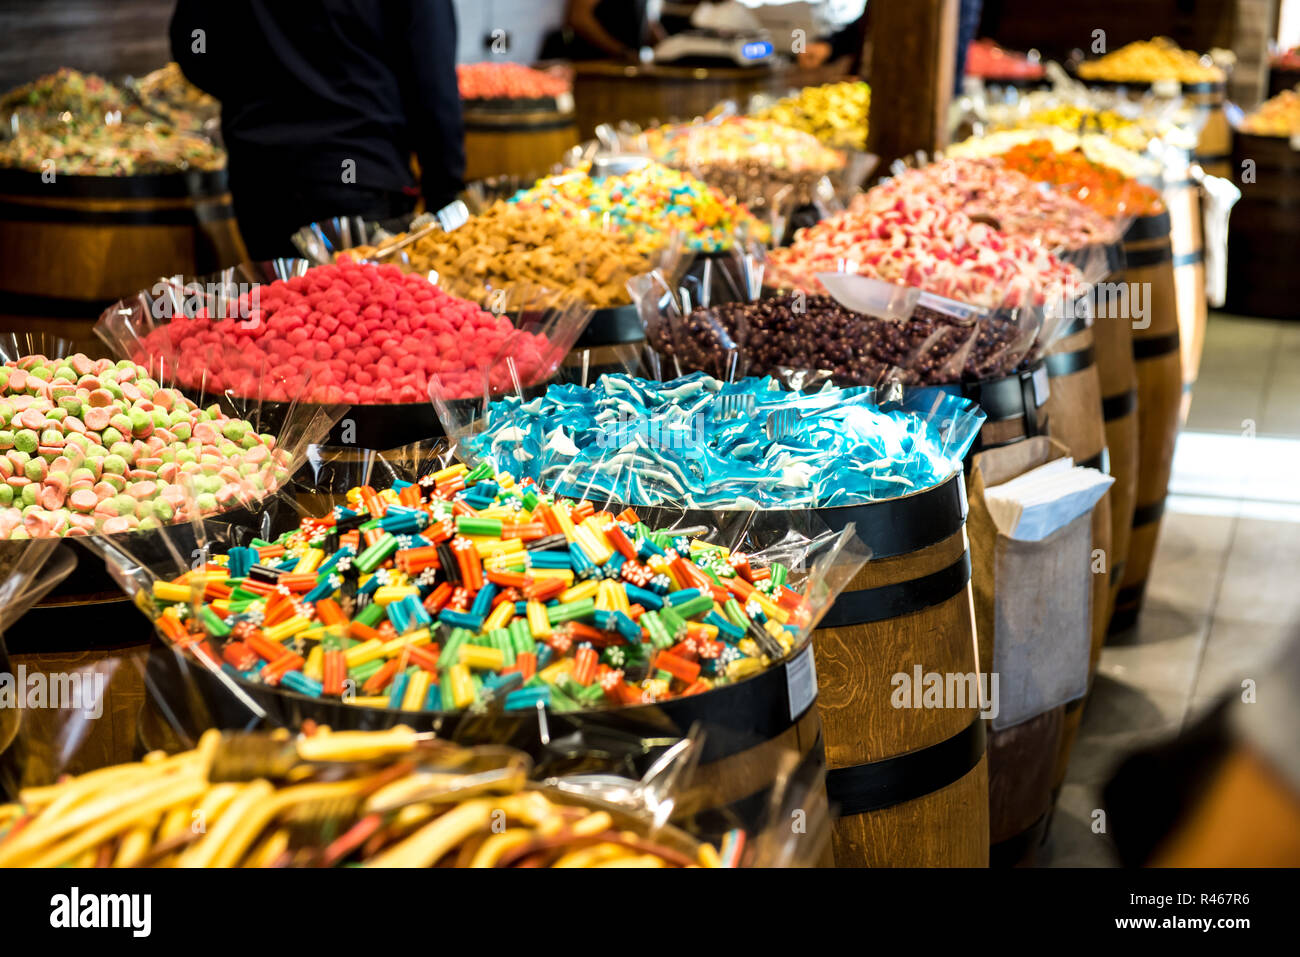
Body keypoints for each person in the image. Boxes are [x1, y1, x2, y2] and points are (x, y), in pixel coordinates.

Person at [170, 0, 464, 260]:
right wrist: (445, 196)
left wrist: (250, 97)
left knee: (282, 317)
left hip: (262, 177)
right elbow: (432, 75)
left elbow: (194, 46)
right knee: (370, 316)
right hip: (362, 170)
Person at [541, 0, 664, 61]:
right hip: (592, 66)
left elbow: (645, 22)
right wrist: (622, 52)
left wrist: (670, 47)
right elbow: (578, 17)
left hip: (624, 67)